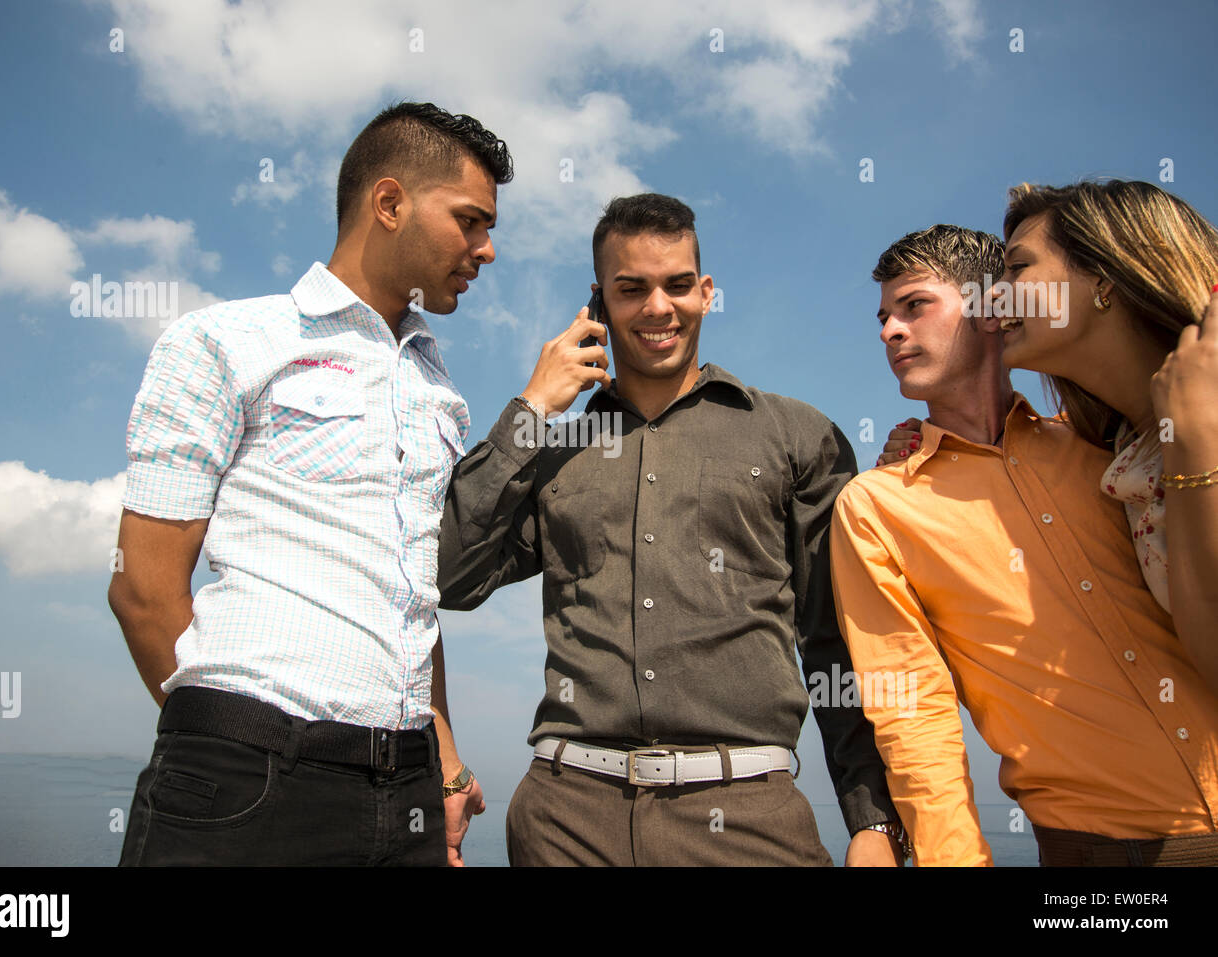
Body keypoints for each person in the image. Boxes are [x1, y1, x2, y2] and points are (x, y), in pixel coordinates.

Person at [437, 193, 904, 866]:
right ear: (599, 303)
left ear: (706, 292)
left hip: (748, 820)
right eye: (632, 289)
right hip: (563, 822)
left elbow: (836, 639)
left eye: (678, 285)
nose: (659, 307)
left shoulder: (796, 436)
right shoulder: (550, 453)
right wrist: (531, 409)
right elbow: (448, 577)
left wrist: (872, 819)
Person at [108, 102, 511, 866]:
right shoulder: (224, 339)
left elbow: (411, 594)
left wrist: (446, 766)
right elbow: (142, 589)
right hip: (246, 787)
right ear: (389, 203)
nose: (486, 250)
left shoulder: (437, 386)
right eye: (471, 221)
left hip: (408, 787)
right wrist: (229, 745)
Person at [832, 224, 1218, 866]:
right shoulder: (876, 506)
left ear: (990, 306)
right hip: (1104, 860)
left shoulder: (1114, 445)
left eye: (915, 305)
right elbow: (912, 714)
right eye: (883, 317)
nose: (888, 332)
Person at [881, 182, 1218, 692]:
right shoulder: (1121, 453)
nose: (994, 294)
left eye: (1017, 268)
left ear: (1103, 277)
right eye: (884, 316)